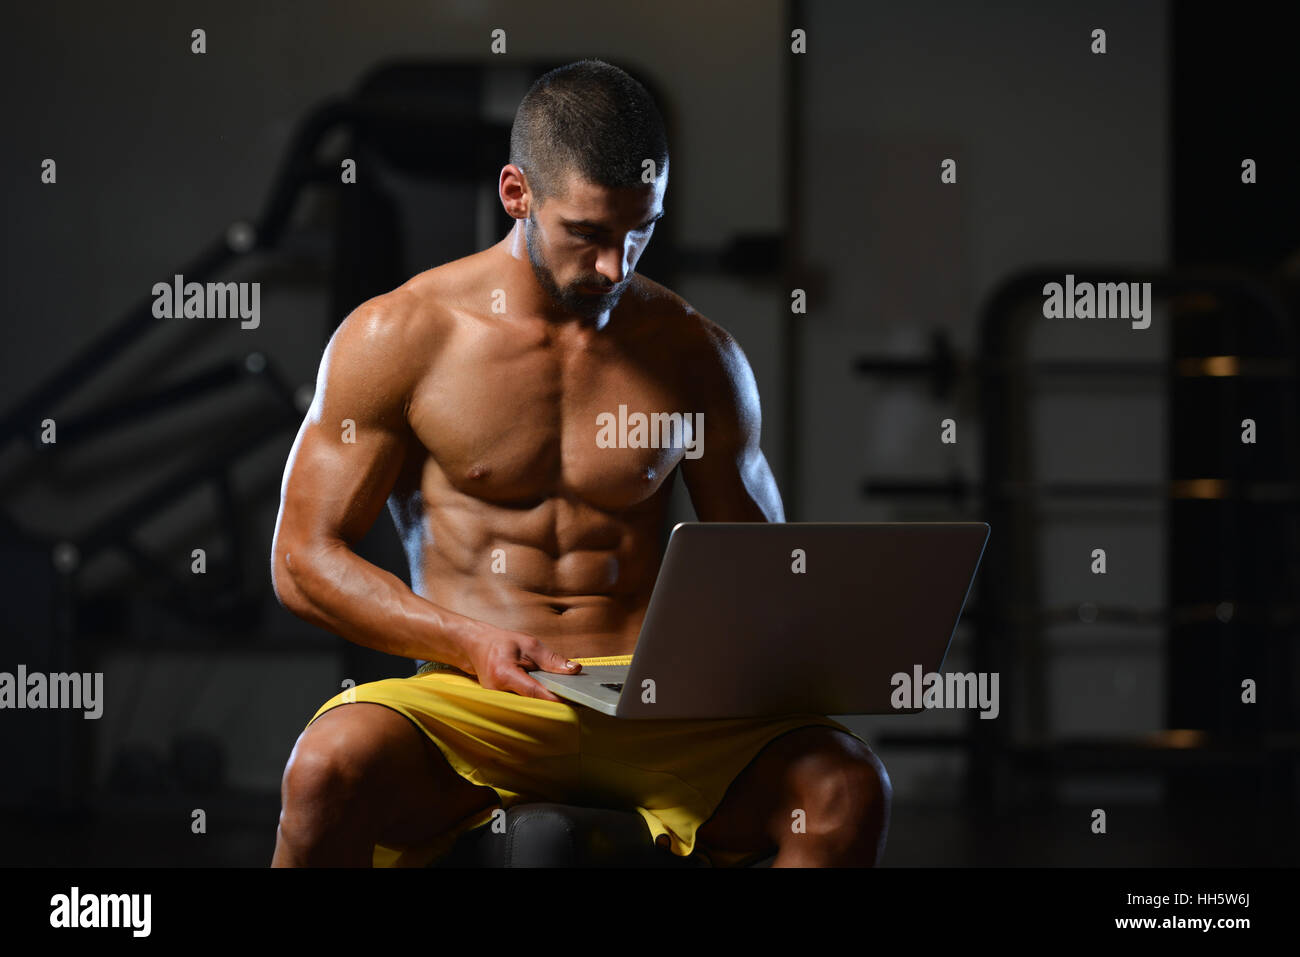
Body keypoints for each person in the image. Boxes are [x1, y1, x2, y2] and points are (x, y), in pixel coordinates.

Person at [269, 58, 890, 867]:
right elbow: (300, 559)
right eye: (589, 234)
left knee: (845, 785)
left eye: (642, 230)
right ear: (516, 194)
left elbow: (763, 566)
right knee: (326, 766)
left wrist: (819, 638)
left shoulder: (695, 355)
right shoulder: (403, 337)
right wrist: (469, 642)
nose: (616, 265)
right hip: (477, 700)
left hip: (655, 707)